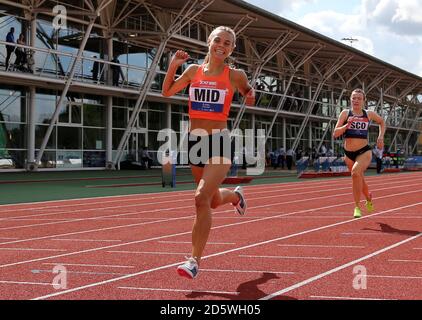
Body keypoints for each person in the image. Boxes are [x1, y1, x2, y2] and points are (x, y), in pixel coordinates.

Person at [162, 26, 255, 279]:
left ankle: (194, 260)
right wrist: (174, 64)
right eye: (218, 40)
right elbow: (167, 91)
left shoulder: (235, 74)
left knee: (200, 198)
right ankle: (235, 198)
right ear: (209, 42)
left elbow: (247, 91)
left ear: (232, 49)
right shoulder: (193, 71)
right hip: (195, 142)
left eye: (228, 42)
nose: (222, 45)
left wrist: (250, 94)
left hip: (219, 142)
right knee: (212, 201)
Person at [333, 88, 385, 218]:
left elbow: (382, 122)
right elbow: (335, 133)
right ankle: (368, 197)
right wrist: (346, 126)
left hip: (364, 151)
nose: (356, 100)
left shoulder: (369, 114)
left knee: (355, 173)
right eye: (353, 98)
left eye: (359, 98)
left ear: (364, 101)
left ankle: (357, 207)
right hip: (348, 153)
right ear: (350, 100)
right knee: (359, 178)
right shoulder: (345, 113)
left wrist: (380, 137)